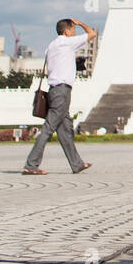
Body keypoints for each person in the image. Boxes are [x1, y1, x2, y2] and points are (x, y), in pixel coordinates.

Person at [22, 18, 96, 175]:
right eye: (73, 29)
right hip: (62, 91)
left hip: (54, 90)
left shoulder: (51, 46)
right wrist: (81, 23)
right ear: (67, 31)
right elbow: (92, 34)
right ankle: (31, 164)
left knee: (65, 130)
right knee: (48, 129)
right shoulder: (67, 43)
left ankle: (76, 164)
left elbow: (58, 64)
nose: (74, 32)